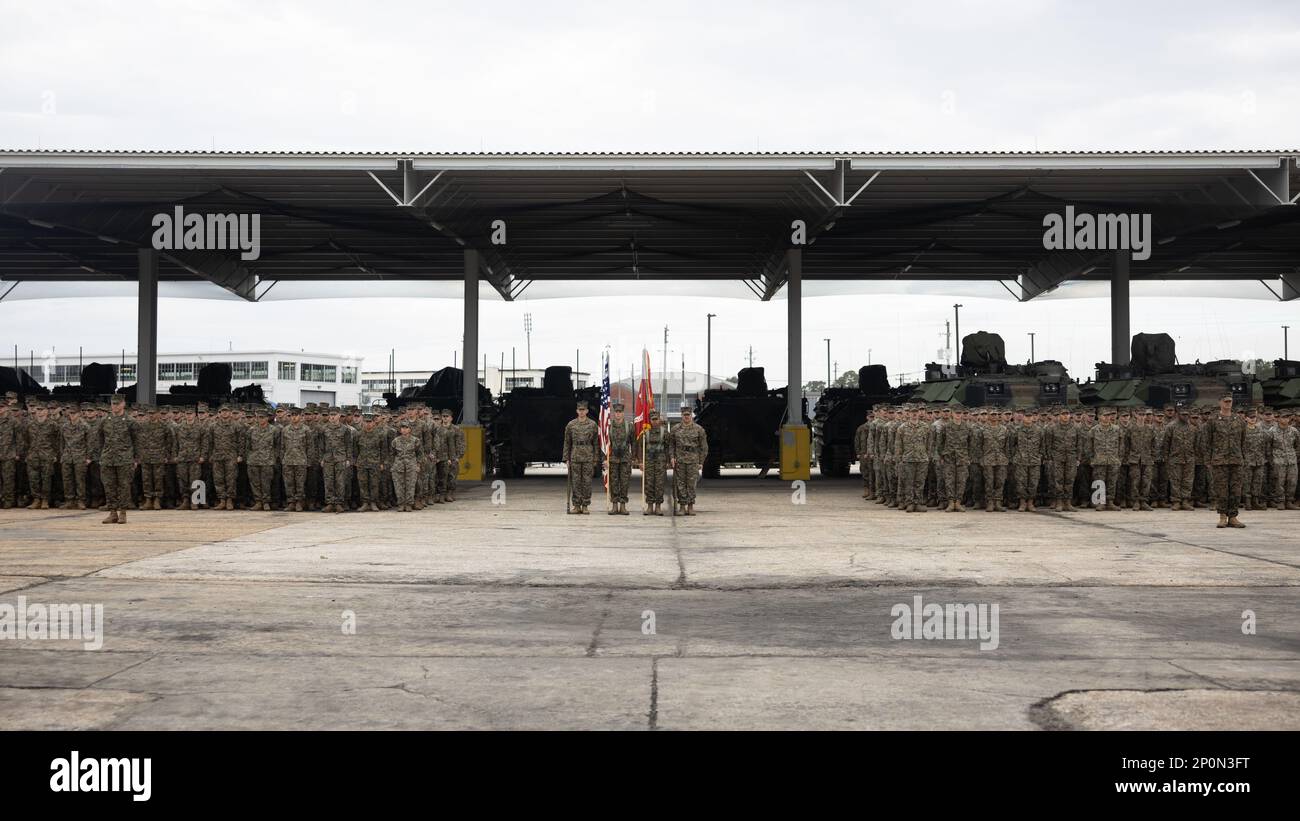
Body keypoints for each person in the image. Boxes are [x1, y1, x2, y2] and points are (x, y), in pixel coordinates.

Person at [1206, 394, 1247, 528]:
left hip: (1236, 460)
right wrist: (1208, 459)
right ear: (1220, 402)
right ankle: (1223, 516)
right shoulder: (1212, 420)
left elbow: (1243, 441)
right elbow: (1207, 441)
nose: (1228, 403)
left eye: (1230, 401)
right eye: (1225, 401)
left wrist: (1243, 458)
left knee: (1236, 490)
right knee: (1221, 489)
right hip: (1219, 460)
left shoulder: (1239, 420)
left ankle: (1233, 517)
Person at [96, 395, 137, 524]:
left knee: (124, 486)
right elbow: (100, 439)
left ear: (123, 404)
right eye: (113, 404)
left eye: (118, 404)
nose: (115, 406)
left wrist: (135, 458)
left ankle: (123, 513)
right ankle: (113, 512)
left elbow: (137, 441)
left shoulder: (130, 421)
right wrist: (103, 454)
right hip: (108, 458)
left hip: (124, 459)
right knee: (109, 486)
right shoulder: (105, 420)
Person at [668, 405, 708, 515]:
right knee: (680, 484)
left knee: (691, 484)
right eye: (685, 415)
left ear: (692, 415)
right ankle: (682, 506)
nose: (687, 417)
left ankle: (690, 506)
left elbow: (704, 447)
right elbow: (671, 445)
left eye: (688, 415)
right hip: (679, 460)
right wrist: (672, 457)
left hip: (693, 460)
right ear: (682, 415)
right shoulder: (675, 429)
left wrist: (701, 461)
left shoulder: (699, 430)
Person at [562, 400, 599, 513]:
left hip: (588, 455)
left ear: (587, 411)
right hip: (575, 455)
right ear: (577, 411)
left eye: (583, 410)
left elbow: (596, 443)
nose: (581, 412)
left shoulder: (592, 425)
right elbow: (567, 442)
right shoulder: (571, 425)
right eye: (579, 410)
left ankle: (585, 505)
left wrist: (596, 458)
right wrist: (566, 458)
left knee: (587, 481)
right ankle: (577, 505)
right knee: (576, 481)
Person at [246, 410, 281, 511]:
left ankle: (266, 502)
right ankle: (258, 501)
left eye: (262, 417)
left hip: (268, 460)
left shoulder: (274, 430)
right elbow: (247, 446)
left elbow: (277, 446)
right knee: (255, 482)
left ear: (267, 418)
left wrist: (274, 458)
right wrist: (249, 457)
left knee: (266, 482)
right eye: (258, 417)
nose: (260, 419)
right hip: (254, 460)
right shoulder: (251, 430)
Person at [637, 409, 669, 515]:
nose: (654, 421)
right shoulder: (645, 433)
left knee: (659, 484)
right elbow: (640, 448)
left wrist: (668, 461)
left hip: (660, 462)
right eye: (652, 419)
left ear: (659, 419)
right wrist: (641, 461)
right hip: (649, 461)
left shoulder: (665, 432)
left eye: (656, 419)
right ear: (650, 420)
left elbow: (668, 447)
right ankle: (650, 506)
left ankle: (658, 506)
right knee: (649, 484)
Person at [605, 402, 633, 515]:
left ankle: (623, 506)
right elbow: (605, 443)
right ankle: (614, 505)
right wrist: (605, 459)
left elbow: (633, 443)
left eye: (620, 412)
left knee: (625, 482)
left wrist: (635, 457)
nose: (618, 414)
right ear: (613, 413)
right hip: (613, 459)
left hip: (625, 459)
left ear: (623, 413)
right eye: (616, 412)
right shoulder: (609, 426)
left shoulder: (629, 426)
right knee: (614, 483)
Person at [390, 420, 423, 512]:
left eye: (406, 428)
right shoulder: (395, 441)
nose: (404, 430)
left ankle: (408, 504)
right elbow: (391, 454)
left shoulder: (415, 440)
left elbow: (420, 454)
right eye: (402, 428)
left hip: (411, 465)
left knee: (410, 485)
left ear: (410, 429)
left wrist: (418, 465)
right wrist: (392, 465)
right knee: (399, 486)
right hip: (398, 466)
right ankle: (401, 504)